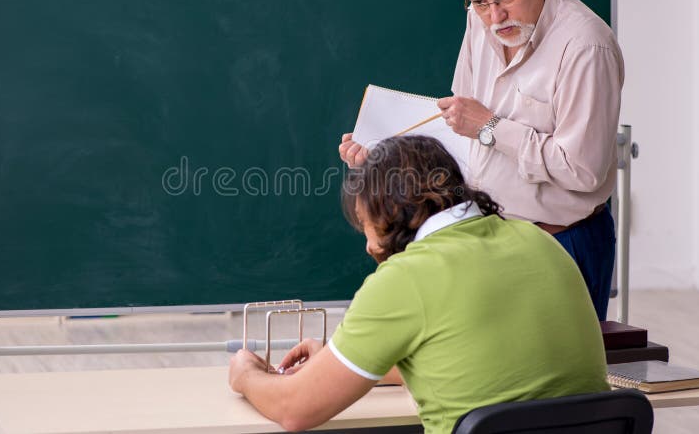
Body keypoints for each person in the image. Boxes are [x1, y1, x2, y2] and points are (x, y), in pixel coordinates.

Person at [230, 135, 609, 434]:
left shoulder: (405, 279)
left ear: (390, 211)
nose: (368, 245)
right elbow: (463, 354)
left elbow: (295, 409)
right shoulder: (539, 241)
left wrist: (246, 374)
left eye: (366, 224)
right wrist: (335, 358)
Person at [340, 0, 624, 320]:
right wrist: (383, 156)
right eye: (479, 2)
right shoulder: (481, 21)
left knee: (562, 377)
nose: (496, 16)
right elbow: (460, 128)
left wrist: (492, 127)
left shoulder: (586, 47)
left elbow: (584, 171)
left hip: (563, 244)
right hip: (489, 238)